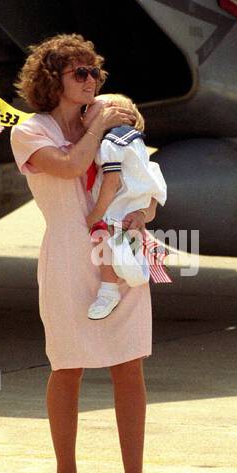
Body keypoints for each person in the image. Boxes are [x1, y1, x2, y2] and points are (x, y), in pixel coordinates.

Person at [10, 35, 161, 473]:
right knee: (67, 365)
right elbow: (71, 164)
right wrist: (97, 127)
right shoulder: (29, 132)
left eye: (95, 72)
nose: (92, 81)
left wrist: (146, 213)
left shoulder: (112, 123)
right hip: (69, 253)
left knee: (130, 364)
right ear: (53, 79)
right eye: (80, 73)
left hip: (120, 247)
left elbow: (143, 180)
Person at [84, 94, 168, 320]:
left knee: (102, 241)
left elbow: (111, 182)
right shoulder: (133, 139)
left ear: (112, 113)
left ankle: (109, 290)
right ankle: (130, 269)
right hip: (136, 201)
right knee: (120, 248)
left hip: (119, 205)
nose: (85, 111)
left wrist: (96, 213)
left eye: (92, 108)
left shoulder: (111, 143)